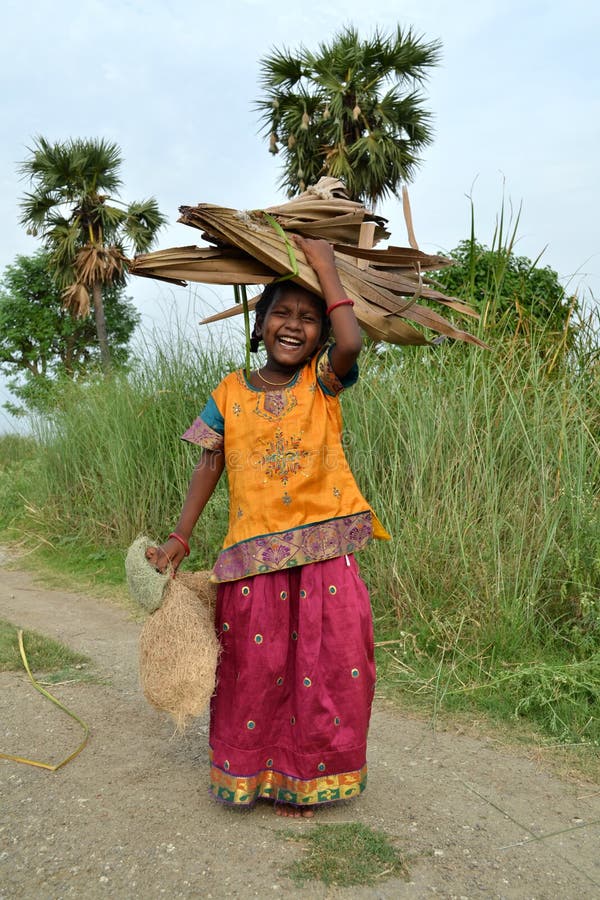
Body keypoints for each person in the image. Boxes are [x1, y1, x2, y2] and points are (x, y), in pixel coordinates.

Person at [147, 237, 390, 818]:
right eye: (281, 312)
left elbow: (353, 339)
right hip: (251, 558)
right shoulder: (228, 392)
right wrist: (180, 538)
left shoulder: (323, 383)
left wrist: (325, 264)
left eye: (308, 318)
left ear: (322, 336)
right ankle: (254, 775)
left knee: (329, 667)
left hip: (325, 554)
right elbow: (209, 464)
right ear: (258, 326)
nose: (293, 325)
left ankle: (309, 778)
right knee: (254, 672)